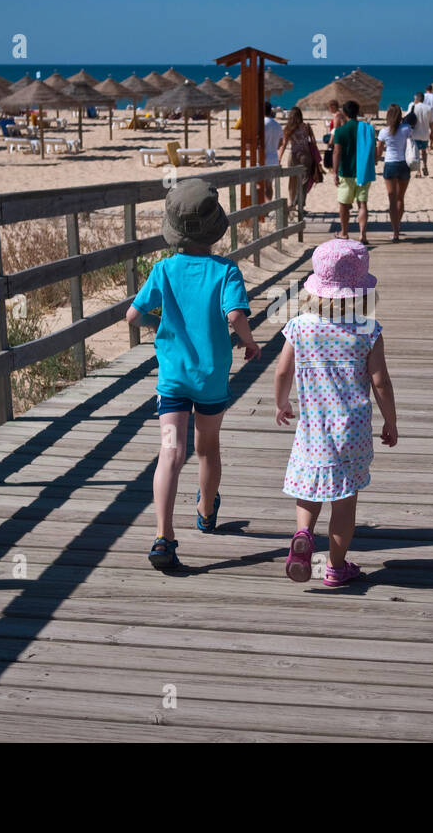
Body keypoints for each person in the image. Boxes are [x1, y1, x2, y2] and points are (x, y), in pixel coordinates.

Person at [127, 179, 262, 571]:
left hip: (172, 382)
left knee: (170, 453)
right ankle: (205, 510)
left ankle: (163, 536)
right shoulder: (225, 271)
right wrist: (250, 344)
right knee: (207, 448)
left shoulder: (163, 270)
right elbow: (235, 316)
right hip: (210, 383)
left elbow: (133, 316)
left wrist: (163, 330)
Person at [274, 238, 397, 587]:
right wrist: (391, 419)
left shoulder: (300, 326)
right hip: (351, 433)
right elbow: (380, 382)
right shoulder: (368, 330)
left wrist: (282, 403)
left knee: (310, 490)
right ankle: (335, 567)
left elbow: (282, 372)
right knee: (344, 503)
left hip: (312, 431)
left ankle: (303, 533)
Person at [332, 100, 376, 242]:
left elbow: (337, 153)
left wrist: (334, 172)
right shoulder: (367, 128)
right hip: (363, 172)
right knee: (362, 204)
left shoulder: (340, 131)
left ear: (344, 113)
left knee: (344, 204)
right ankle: (363, 235)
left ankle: (344, 232)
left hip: (346, 172)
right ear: (357, 112)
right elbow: (373, 150)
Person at [376, 104, 415, 242]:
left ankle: (395, 232)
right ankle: (398, 227)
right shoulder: (406, 129)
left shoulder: (383, 131)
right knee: (400, 198)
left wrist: (375, 160)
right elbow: (411, 143)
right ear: (400, 116)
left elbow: (379, 151)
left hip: (390, 164)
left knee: (392, 199)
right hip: (404, 164)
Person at [278, 106, 318, 211]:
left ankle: (293, 202)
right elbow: (313, 142)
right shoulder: (307, 127)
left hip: (293, 155)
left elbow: (284, 145)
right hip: (305, 155)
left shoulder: (288, 129)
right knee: (304, 180)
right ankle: (299, 204)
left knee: (293, 181)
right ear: (301, 115)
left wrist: (279, 158)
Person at [407, 91, 433, 177]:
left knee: (417, 153)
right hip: (425, 134)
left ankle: (419, 172)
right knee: (424, 151)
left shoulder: (413, 106)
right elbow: (432, 121)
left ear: (417, 99)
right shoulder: (429, 108)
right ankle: (425, 165)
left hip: (415, 134)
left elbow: (407, 117)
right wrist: (432, 132)